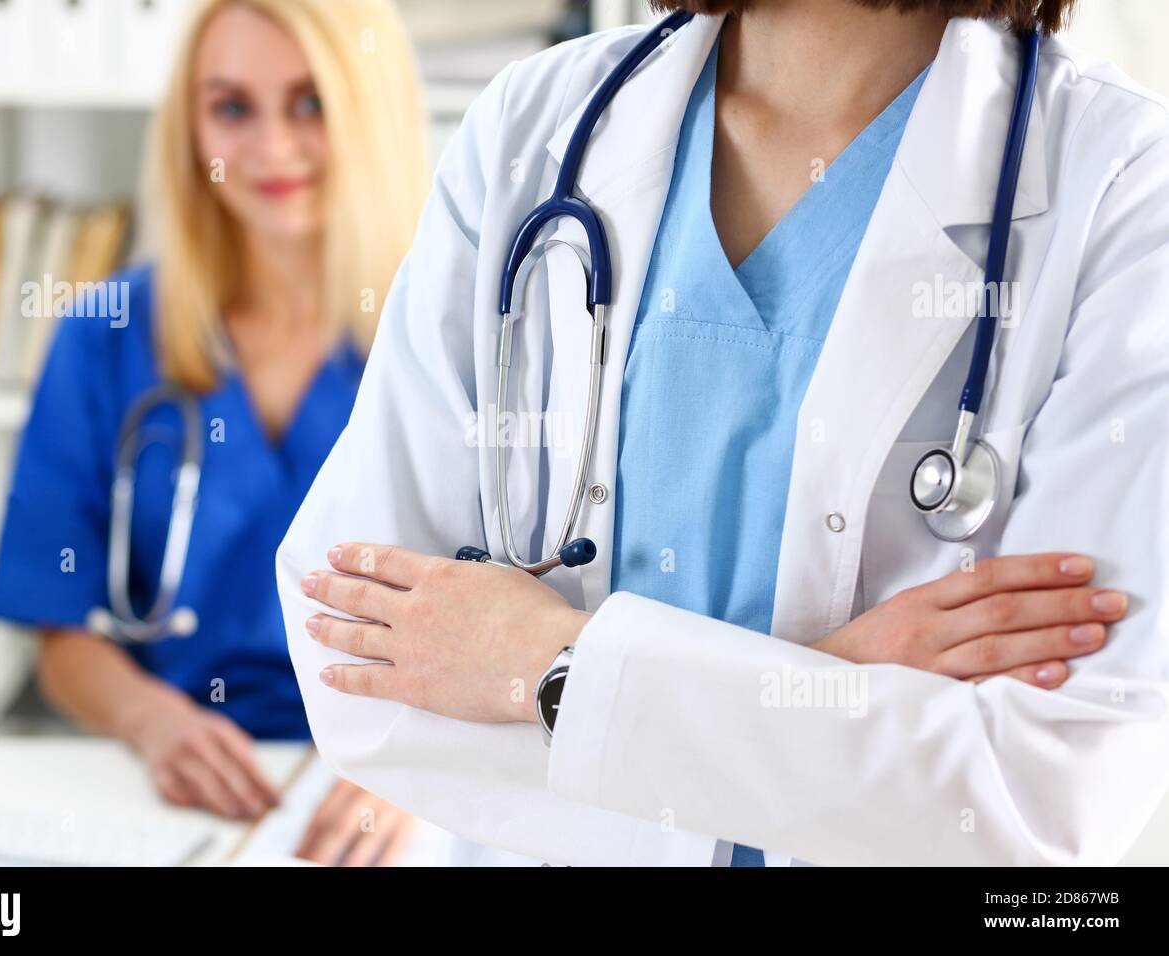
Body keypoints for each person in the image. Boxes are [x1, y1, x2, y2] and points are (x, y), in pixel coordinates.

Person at [277, 0, 1169, 865]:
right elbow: (357, 668)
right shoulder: (531, 127)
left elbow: (1039, 801)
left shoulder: (1124, 191)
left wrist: (549, 668)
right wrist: (821, 682)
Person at [0, 0, 429, 866]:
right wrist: (150, 722)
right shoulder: (105, 334)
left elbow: (525, 612)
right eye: (231, 107)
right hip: (181, 795)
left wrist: (417, 765)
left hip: (395, 792)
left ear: (367, 109)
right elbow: (59, 629)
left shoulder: (449, 344)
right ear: (189, 129)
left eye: (309, 102)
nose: (270, 148)